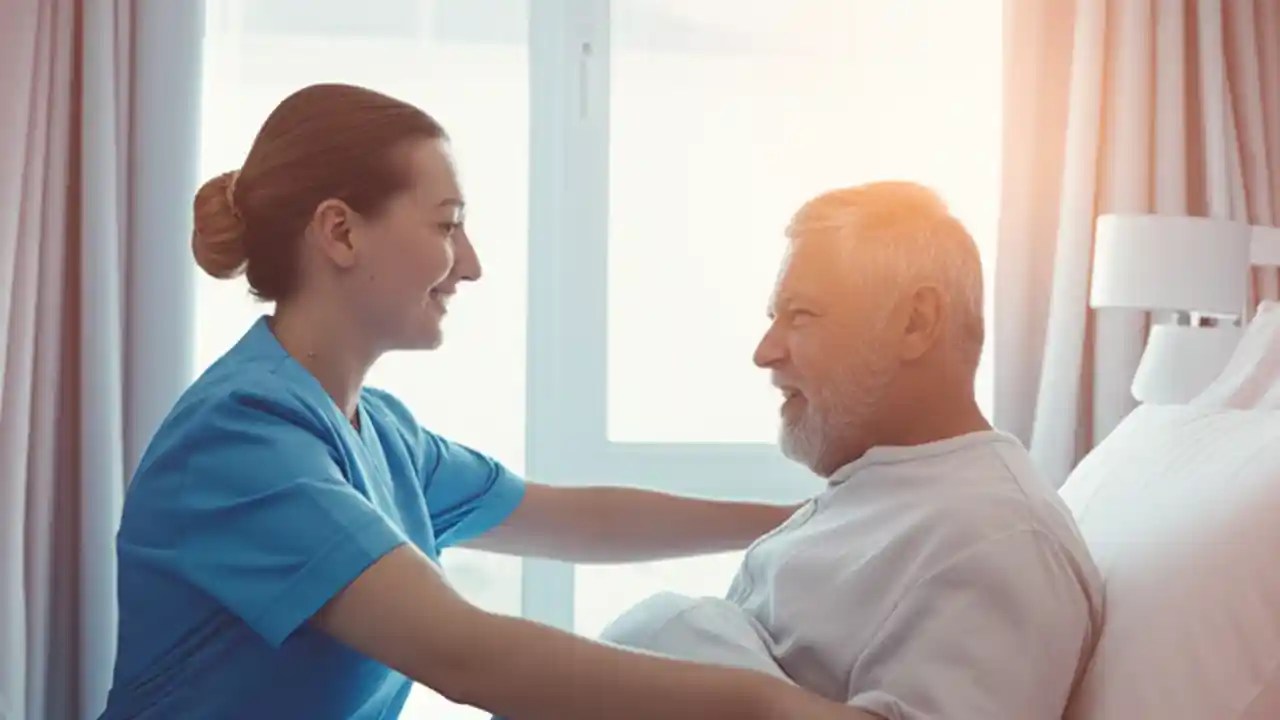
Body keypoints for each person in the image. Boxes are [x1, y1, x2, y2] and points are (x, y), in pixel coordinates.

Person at [98, 83, 877, 720]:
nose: (469, 265)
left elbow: (577, 518)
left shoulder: (382, 435)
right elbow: (467, 656)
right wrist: (779, 710)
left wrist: (806, 522)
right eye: (447, 226)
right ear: (339, 233)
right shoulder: (241, 441)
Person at [599, 182, 1105, 718]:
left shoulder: (1000, 540)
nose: (764, 352)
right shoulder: (892, 494)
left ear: (916, 322)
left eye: (800, 315)